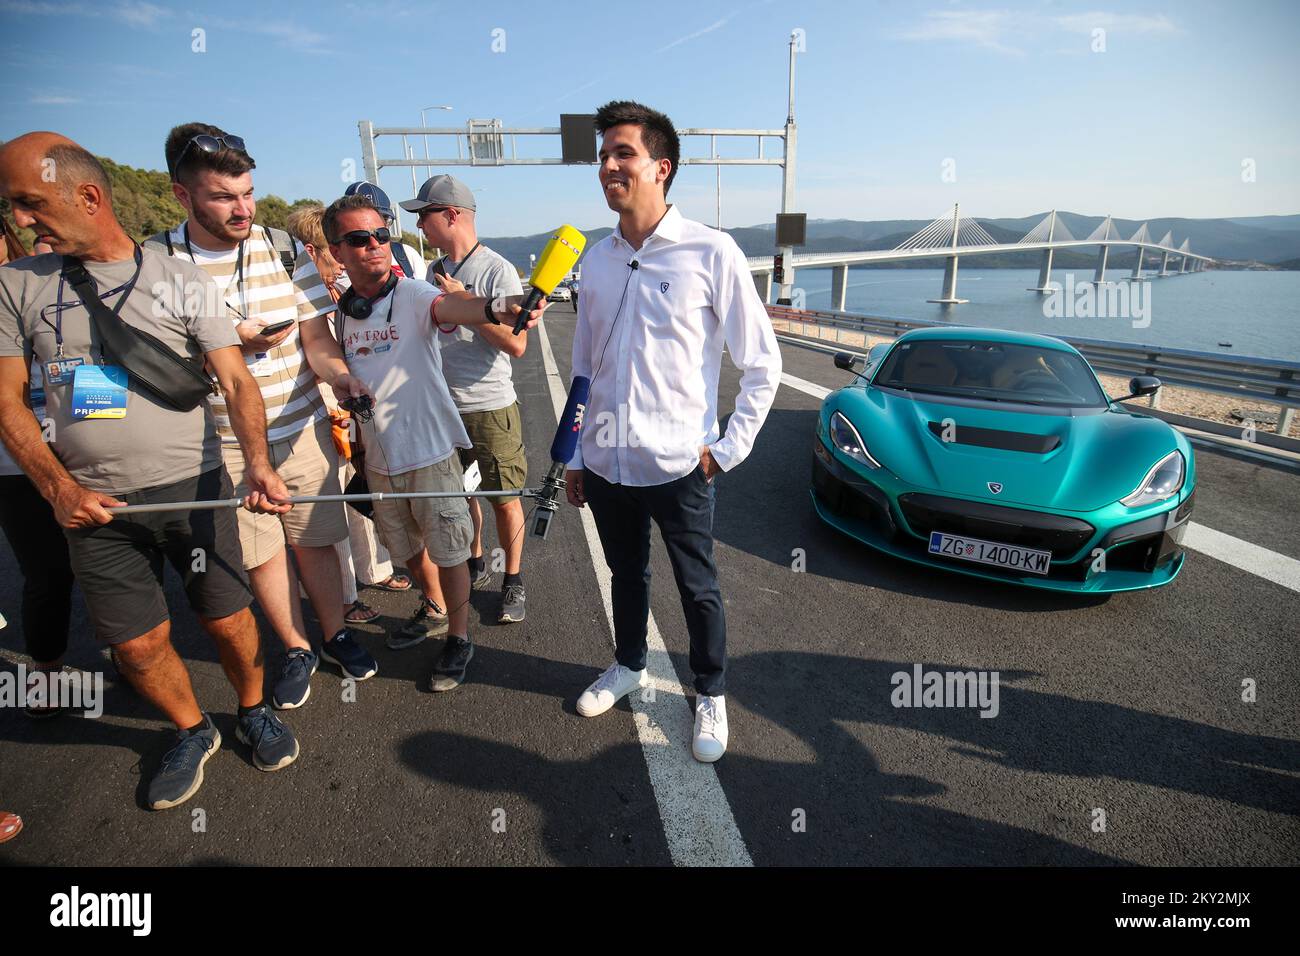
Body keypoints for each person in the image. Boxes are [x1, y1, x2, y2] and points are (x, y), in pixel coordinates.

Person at [0, 132, 299, 808]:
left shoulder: (179, 280)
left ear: (88, 197)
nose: (20, 220)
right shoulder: (16, 286)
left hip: (193, 489)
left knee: (226, 620)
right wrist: (57, 488)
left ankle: (252, 708)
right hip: (93, 510)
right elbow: (4, 400)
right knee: (136, 646)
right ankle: (192, 729)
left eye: (28, 202)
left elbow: (235, 380)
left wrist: (258, 465)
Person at [565, 102, 782, 762]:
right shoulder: (596, 260)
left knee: (697, 585)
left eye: (622, 153)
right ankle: (629, 664)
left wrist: (723, 451)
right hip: (606, 463)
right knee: (624, 575)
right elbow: (581, 363)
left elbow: (762, 363)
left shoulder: (710, 252)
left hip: (681, 465)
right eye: (603, 155)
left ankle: (708, 691)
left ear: (661, 168)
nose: (607, 166)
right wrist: (574, 454)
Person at [148, 124, 377, 710]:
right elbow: (150, 360)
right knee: (260, 551)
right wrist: (219, 345)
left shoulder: (282, 246)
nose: (242, 208)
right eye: (224, 197)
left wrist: (340, 376)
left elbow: (316, 338)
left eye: (247, 192)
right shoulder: (156, 261)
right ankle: (297, 646)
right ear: (182, 195)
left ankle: (336, 633)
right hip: (222, 441)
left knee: (318, 541)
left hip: (299, 427)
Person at [323, 192, 546, 691]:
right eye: (359, 239)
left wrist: (500, 305)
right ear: (337, 251)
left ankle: (460, 638)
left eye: (382, 235)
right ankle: (437, 607)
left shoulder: (414, 293)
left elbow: (455, 306)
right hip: (380, 457)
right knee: (405, 549)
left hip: (430, 451)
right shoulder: (342, 313)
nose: (376, 246)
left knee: (452, 549)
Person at [400, 174, 529, 628]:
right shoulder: (429, 271)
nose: (419, 226)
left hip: (488, 405)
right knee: (461, 494)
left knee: (502, 496)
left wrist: (468, 302)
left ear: (452, 216)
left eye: (425, 216)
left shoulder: (496, 271)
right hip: (441, 407)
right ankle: (474, 562)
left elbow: (516, 346)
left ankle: (512, 578)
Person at [283, 203, 411, 624]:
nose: (340, 262)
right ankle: (343, 597)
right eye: (333, 250)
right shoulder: (296, 294)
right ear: (312, 250)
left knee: (358, 496)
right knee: (331, 509)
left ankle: (374, 569)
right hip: (319, 415)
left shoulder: (337, 295)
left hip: (348, 411)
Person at [0, 214, 75, 718]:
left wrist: (101, 426)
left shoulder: (58, 291)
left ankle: (133, 650)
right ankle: (47, 674)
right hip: (14, 466)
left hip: (88, 452)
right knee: (46, 574)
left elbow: (100, 373)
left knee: (126, 562)